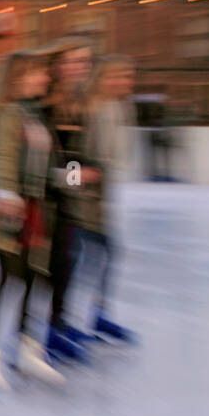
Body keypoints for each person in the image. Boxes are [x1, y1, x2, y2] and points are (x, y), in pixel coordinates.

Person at [0, 51, 64, 389]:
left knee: (32, 279)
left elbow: (44, 168)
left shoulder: (36, 115)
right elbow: (3, 159)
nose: (45, 79)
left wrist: (73, 177)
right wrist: (7, 196)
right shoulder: (9, 114)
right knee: (7, 280)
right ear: (18, 78)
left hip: (35, 211)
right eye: (37, 73)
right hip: (10, 212)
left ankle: (28, 351)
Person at [41, 37, 101, 364]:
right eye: (73, 61)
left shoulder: (79, 104)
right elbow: (41, 162)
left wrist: (80, 174)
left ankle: (58, 324)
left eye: (85, 62)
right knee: (51, 264)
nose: (80, 68)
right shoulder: (46, 105)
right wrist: (74, 177)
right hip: (45, 197)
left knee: (68, 260)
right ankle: (46, 331)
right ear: (57, 66)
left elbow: (73, 154)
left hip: (67, 197)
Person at [80, 55, 137, 343]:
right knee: (92, 256)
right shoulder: (95, 110)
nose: (125, 82)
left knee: (101, 256)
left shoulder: (118, 108)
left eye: (128, 77)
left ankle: (94, 315)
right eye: (117, 76)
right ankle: (76, 319)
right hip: (86, 198)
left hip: (101, 196)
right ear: (102, 79)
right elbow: (88, 156)